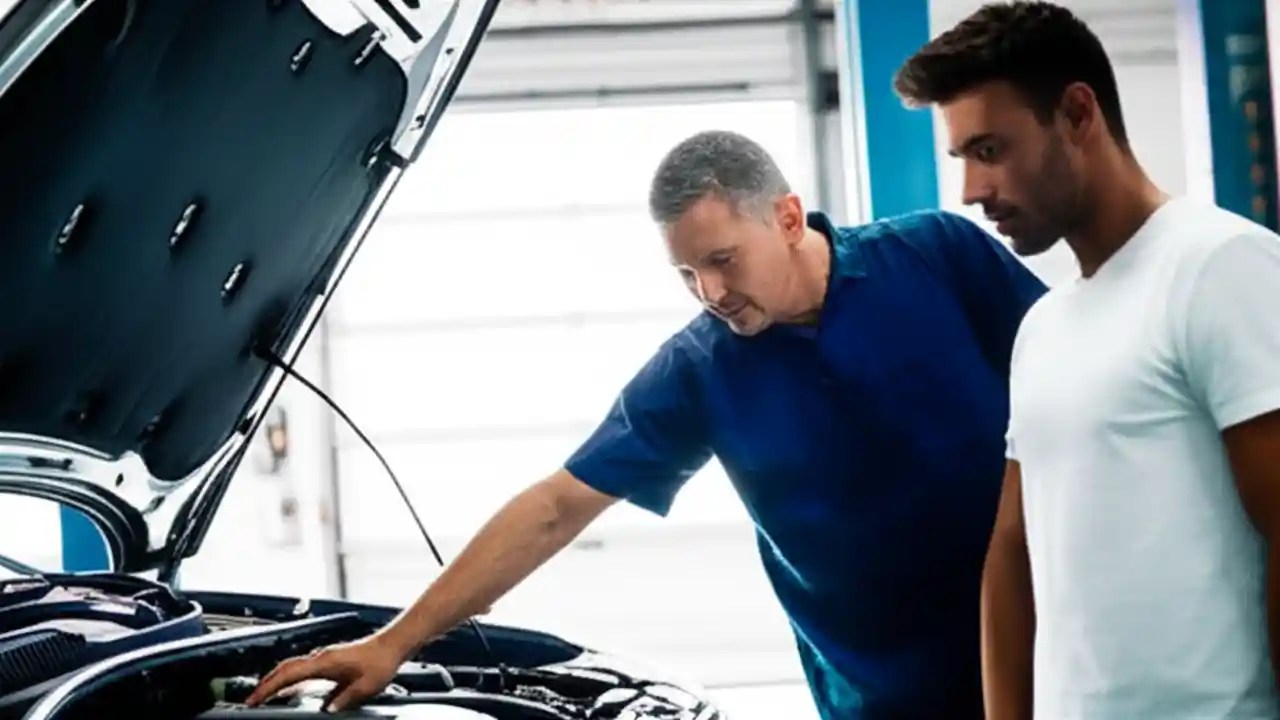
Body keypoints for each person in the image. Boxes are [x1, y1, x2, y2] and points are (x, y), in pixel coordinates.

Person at [246, 129, 1046, 718]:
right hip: (883, 701)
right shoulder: (698, 370)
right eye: (686, 274)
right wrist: (394, 642)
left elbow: (1078, 386)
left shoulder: (938, 257)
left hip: (1051, 651)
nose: (709, 292)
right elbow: (556, 507)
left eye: (724, 260)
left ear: (790, 217)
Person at [894, 2, 1280, 718]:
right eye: (962, 160)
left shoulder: (1220, 267)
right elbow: (1013, 556)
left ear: (1077, 114)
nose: (972, 192)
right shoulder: (1044, 326)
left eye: (990, 150)